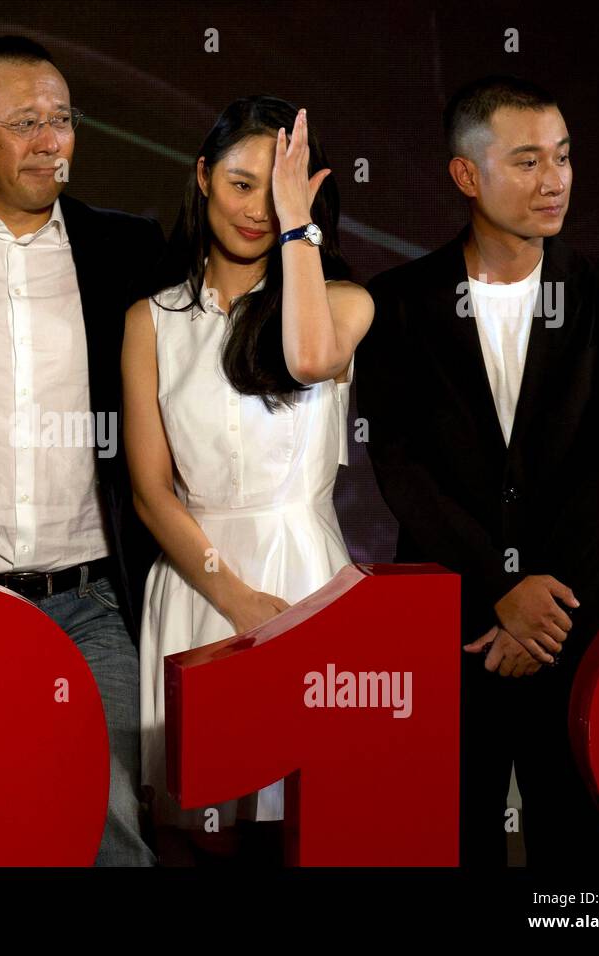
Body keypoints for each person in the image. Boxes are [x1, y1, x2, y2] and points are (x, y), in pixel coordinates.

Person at [357, 75, 599, 866]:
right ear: (466, 175)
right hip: (454, 621)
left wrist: (542, 598)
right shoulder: (402, 303)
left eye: (561, 157)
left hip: (574, 618)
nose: (553, 180)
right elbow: (401, 467)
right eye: (526, 161)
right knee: (451, 836)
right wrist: (499, 587)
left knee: (577, 845)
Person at [0, 36, 163, 866]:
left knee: (111, 813)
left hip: (93, 597)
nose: (52, 140)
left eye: (62, 120)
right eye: (26, 122)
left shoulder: (127, 250)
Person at [124, 97, 373, 862]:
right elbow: (150, 489)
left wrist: (301, 229)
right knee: (198, 834)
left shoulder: (342, 301)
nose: (257, 211)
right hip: (199, 587)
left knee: (312, 823)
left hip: (305, 581)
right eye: (240, 184)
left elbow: (305, 360)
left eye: (279, 191)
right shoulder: (152, 319)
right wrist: (229, 597)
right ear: (202, 179)